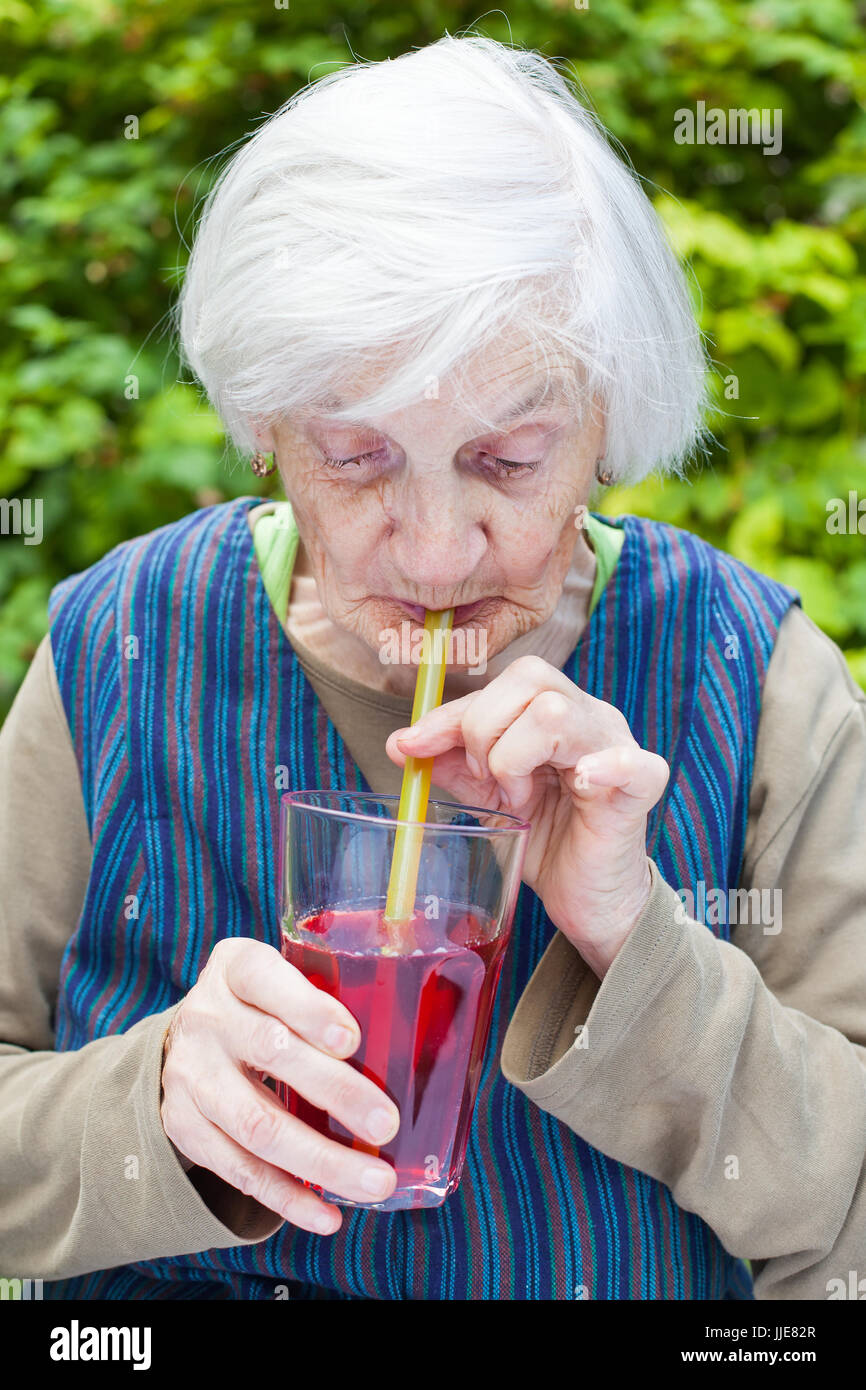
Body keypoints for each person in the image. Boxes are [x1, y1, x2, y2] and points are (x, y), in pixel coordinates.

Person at [1, 33, 864, 1301]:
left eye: (509, 460)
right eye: (354, 458)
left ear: (609, 417)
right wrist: (147, 1102)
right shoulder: (114, 642)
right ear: (260, 427)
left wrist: (636, 948)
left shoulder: (756, 667)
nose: (435, 544)